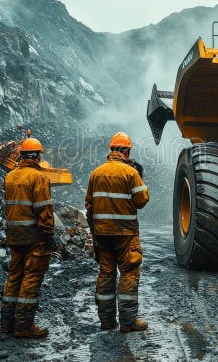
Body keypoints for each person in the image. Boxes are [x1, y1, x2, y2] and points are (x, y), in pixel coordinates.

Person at [85, 132, 149, 332]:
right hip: (125, 236)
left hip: (102, 235)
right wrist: (139, 176)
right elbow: (142, 201)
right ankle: (128, 322)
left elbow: (89, 205)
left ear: (111, 150)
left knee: (106, 274)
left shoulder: (96, 173)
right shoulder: (130, 173)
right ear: (127, 151)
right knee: (129, 274)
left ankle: (106, 321)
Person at [0, 137, 55, 339]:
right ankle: (24, 326)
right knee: (31, 278)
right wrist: (49, 234)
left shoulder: (10, 177)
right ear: (38, 156)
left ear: (21, 155)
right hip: (34, 237)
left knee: (14, 277)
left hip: (14, 237)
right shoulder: (38, 178)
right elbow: (44, 210)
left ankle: (7, 324)